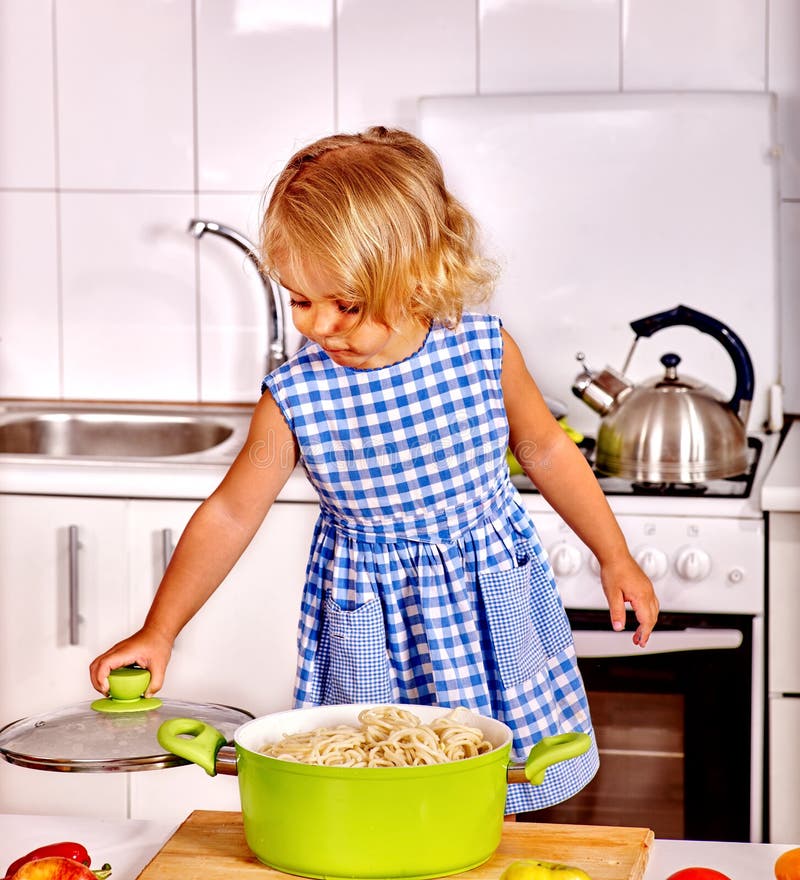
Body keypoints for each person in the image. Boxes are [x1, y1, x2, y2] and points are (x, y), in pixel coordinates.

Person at [89, 126, 659, 814]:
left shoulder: (482, 349)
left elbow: (546, 449)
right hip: (375, 625)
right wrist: (160, 629)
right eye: (300, 300)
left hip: (490, 606)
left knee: (511, 785)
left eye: (346, 304)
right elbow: (232, 513)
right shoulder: (297, 397)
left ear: (417, 273)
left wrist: (614, 554)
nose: (321, 326)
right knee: (382, 791)